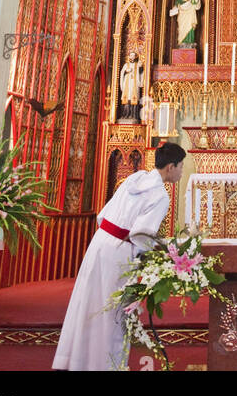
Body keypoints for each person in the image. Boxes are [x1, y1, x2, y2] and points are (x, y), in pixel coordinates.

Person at [52, 142, 186, 371]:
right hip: (120, 253)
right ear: (171, 167)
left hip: (100, 243)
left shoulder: (136, 178)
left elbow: (104, 214)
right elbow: (141, 236)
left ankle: (76, 361)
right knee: (113, 313)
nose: (182, 171)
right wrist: (157, 256)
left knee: (88, 303)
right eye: (182, 166)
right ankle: (105, 365)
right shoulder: (160, 196)